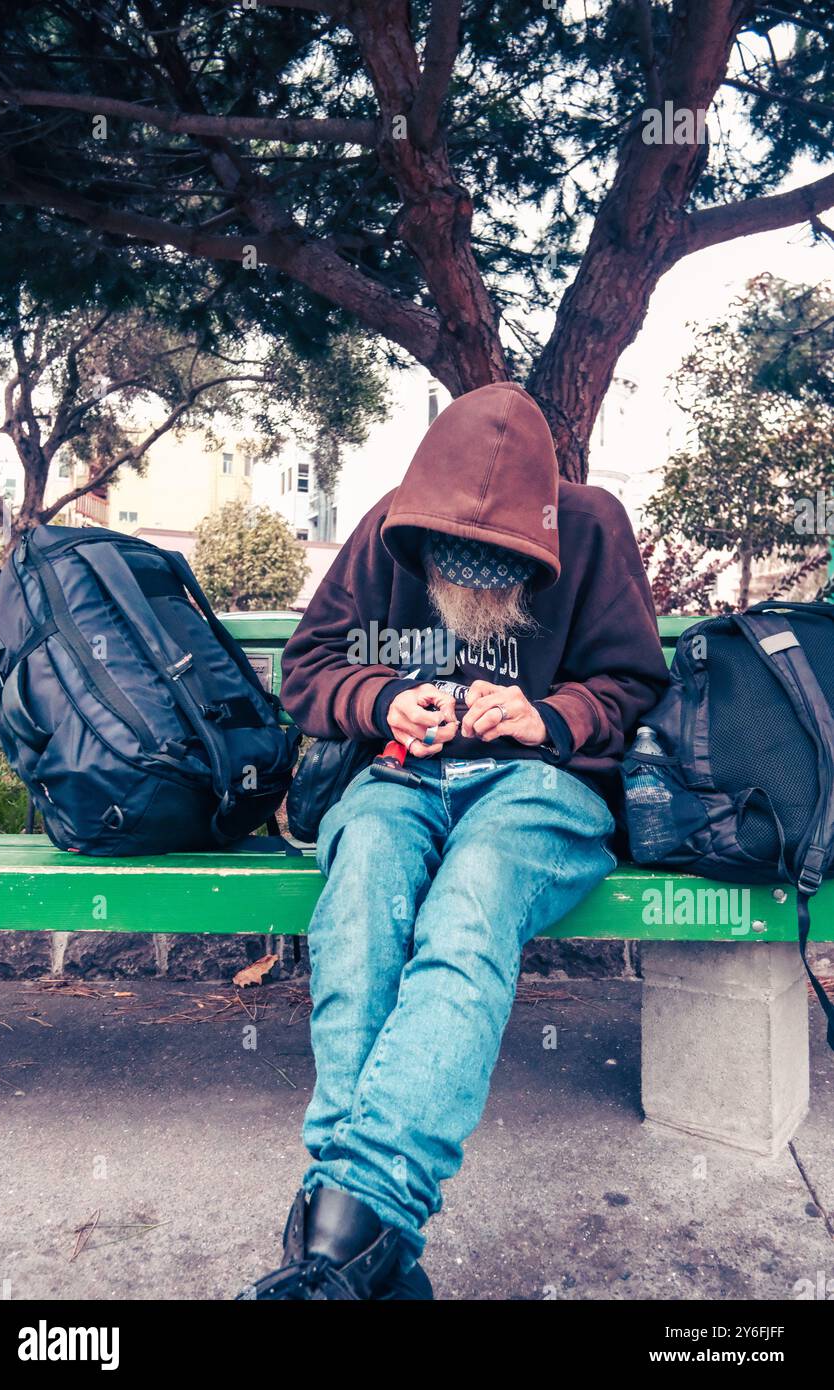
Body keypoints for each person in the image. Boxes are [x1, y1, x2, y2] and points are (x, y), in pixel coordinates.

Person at [237, 381, 669, 1301]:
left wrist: (547, 714)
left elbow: (635, 684)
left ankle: (335, 1234)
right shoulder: (388, 525)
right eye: (450, 558)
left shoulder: (593, 528)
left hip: (540, 789)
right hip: (398, 776)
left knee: (468, 916)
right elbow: (307, 668)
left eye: (495, 565)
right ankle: (365, 1259)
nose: (469, 582)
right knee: (356, 918)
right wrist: (384, 698)